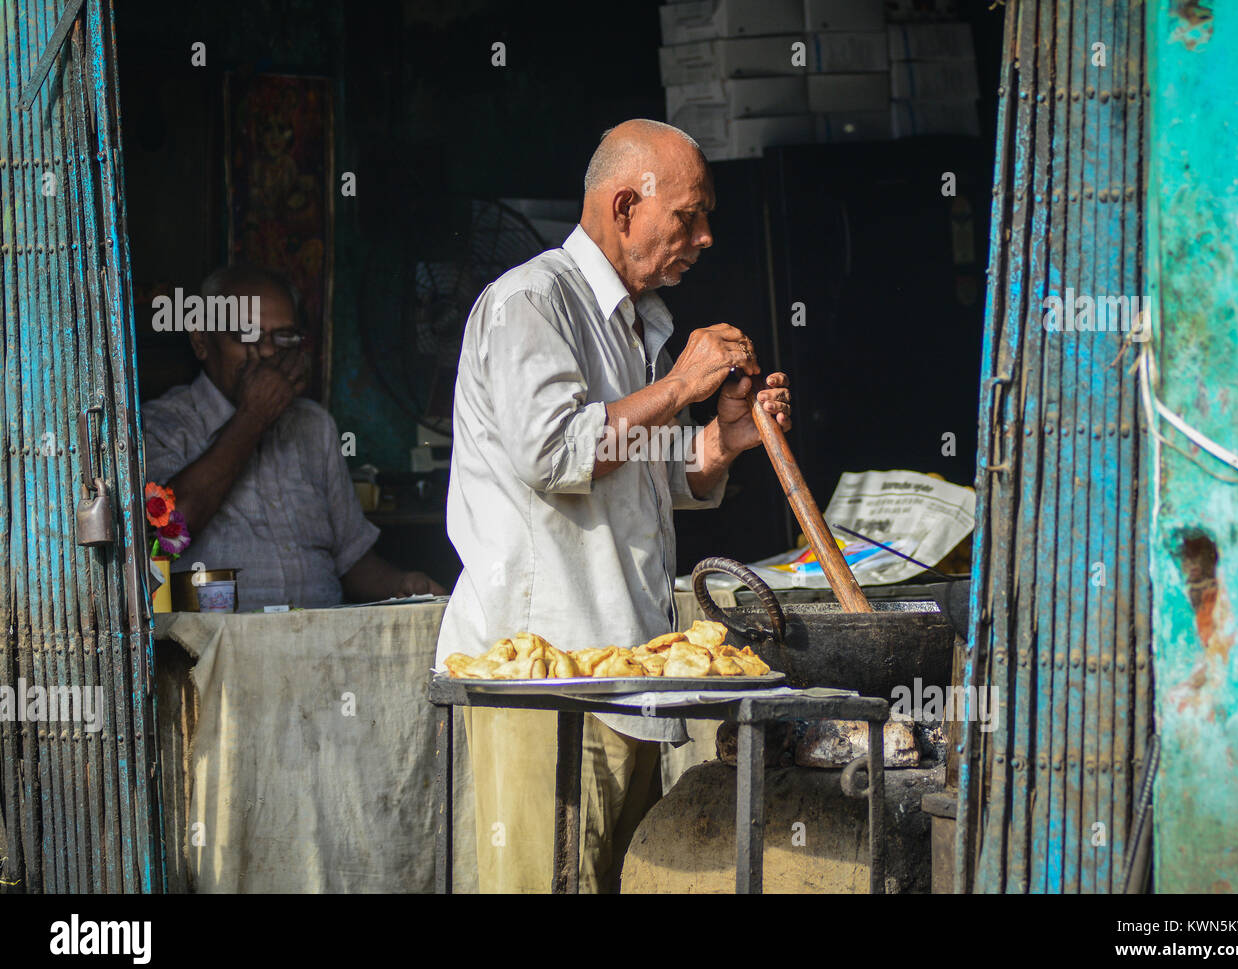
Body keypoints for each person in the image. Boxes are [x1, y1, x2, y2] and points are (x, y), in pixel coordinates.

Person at [434, 119, 792, 892]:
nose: (701, 239)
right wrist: (678, 387)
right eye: (687, 217)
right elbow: (553, 451)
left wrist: (722, 440)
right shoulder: (532, 301)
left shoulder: (631, 322)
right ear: (626, 204)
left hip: (625, 670)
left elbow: (644, 471)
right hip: (546, 677)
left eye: (706, 220)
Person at [142, 264, 442, 610]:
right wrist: (253, 418)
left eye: (284, 337)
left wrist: (402, 584)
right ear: (201, 341)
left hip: (320, 645)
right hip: (216, 653)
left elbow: (351, 559)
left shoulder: (315, 425)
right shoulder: (160, 424)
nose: (268, 351)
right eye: (246, 333)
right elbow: (168, 531)